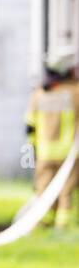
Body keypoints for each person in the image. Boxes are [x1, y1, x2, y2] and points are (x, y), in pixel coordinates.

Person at [26, 60, 79, 227]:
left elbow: (29, 125)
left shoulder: (39, 94)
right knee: (66, 191)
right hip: (68, 153)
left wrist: (33, 147)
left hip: (45, 152)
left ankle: (42, 222)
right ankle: (63, 226)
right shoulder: (74, 92)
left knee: (44, 189)